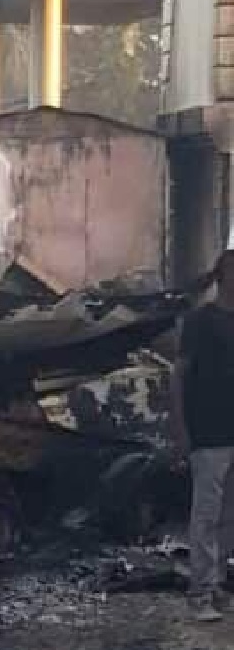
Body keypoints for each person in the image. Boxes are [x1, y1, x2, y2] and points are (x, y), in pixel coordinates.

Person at [172, 249, 234, 622]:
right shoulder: (199, 321)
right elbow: (179, 375)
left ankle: (219, 584)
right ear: (221, 276)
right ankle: (200, 592)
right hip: (208, 432)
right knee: (206, 514)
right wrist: (180, 427)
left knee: (230, 515)